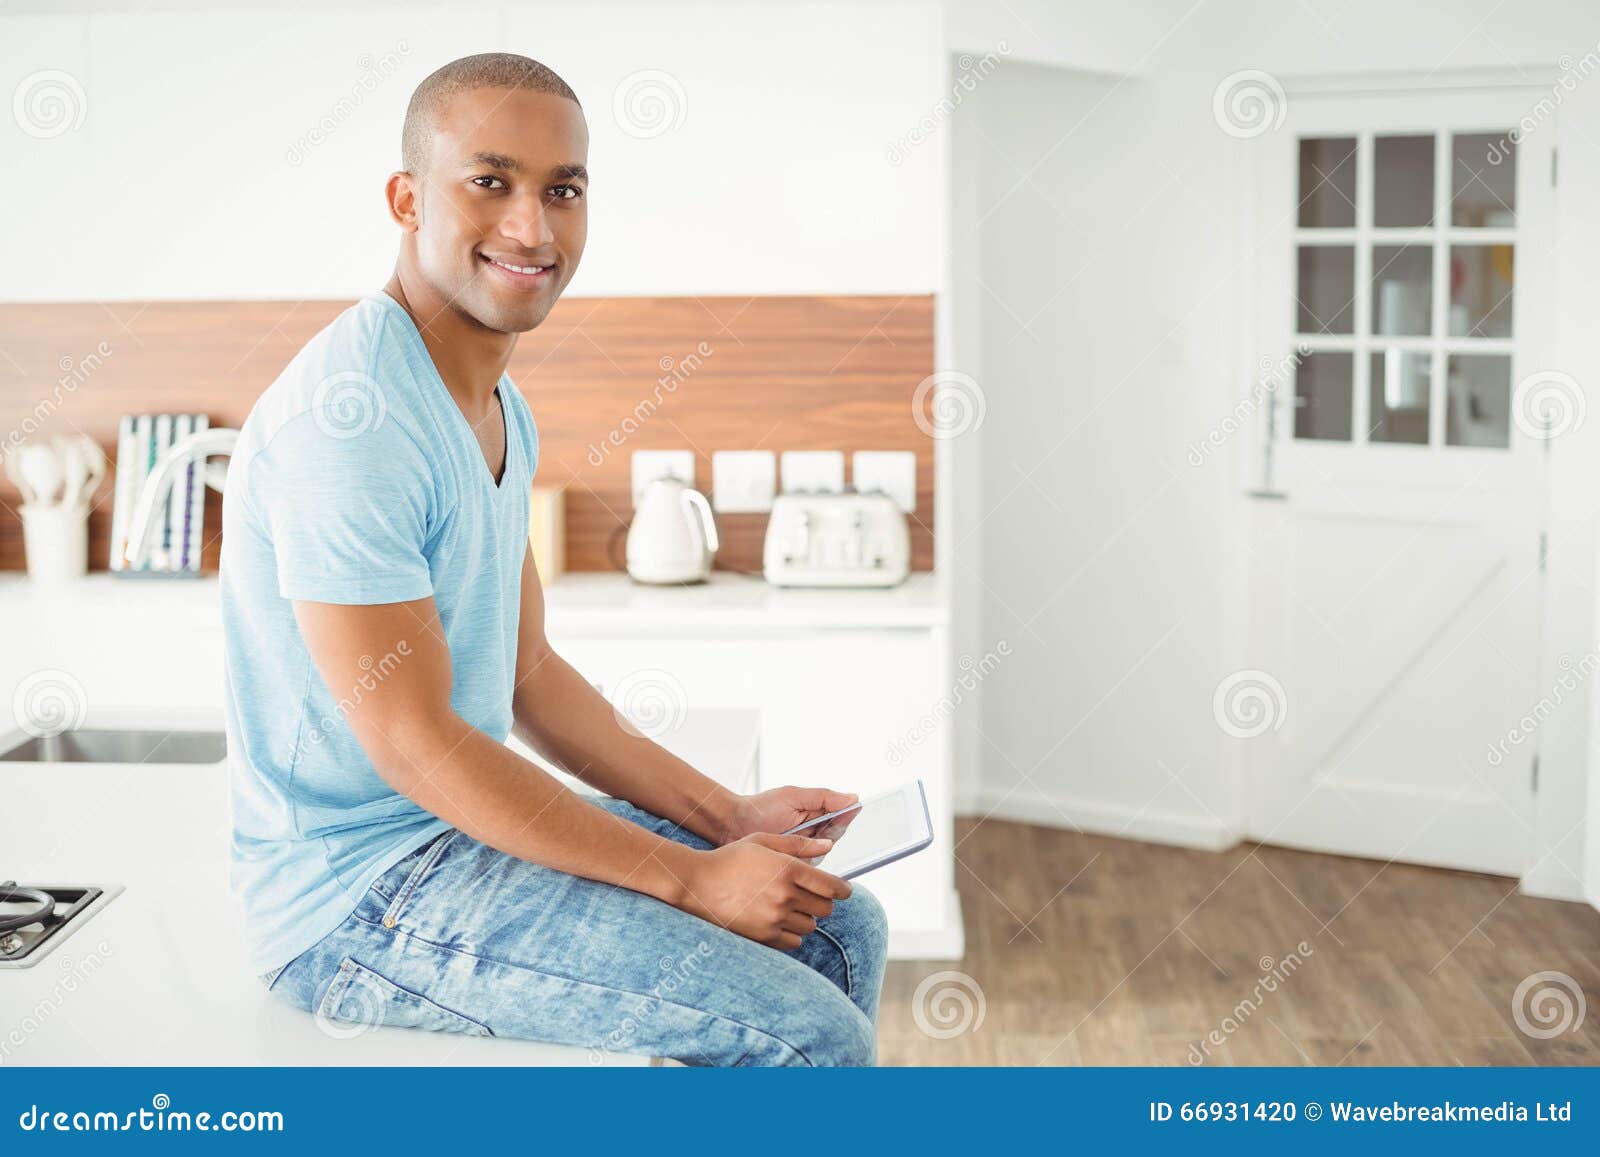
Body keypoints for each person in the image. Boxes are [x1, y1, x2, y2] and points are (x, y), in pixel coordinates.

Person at [220, 52, 887, 1066]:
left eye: (561, 190)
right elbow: (412, 741)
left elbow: (528, 670)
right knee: (802, 1033)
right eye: (489, 181)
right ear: (406, 198)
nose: (532, 227)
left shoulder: (496, 406)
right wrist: (692, 876)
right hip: (355, 899)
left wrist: (729, 814)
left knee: (843, 924)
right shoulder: (352, 420)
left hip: (451, 840)